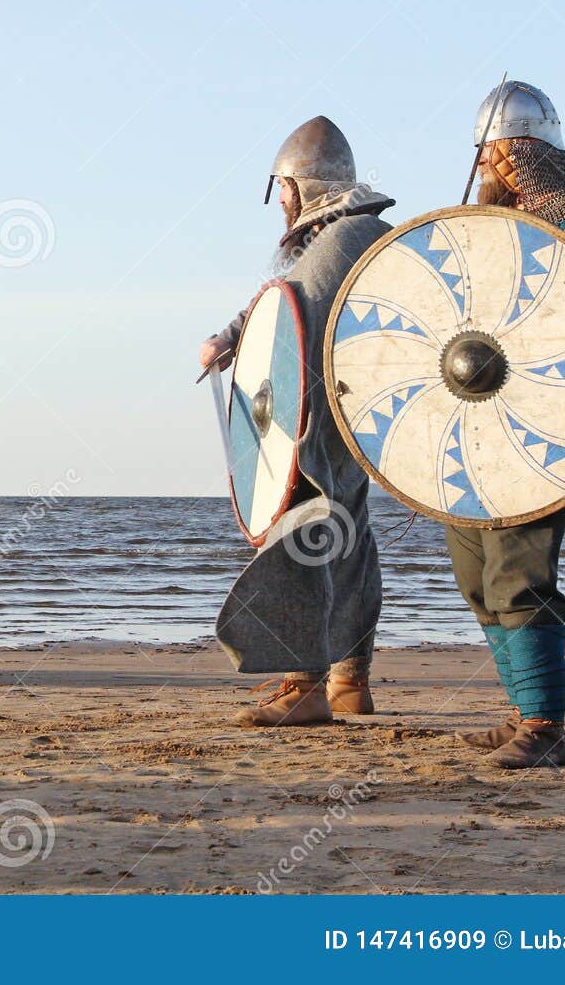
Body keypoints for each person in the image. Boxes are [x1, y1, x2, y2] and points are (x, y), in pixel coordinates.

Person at [448, 81, 565, 768]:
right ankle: (524, 708)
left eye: (491, 150)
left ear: (523, 149)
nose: (483, 162)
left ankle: (546, 726)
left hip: (546, 425)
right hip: (472, 424)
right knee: (474, 570)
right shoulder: (481, 228)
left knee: (518, 571)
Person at [204, 117, 395, 726]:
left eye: (283, 189)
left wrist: (233, 340)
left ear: (302, 186)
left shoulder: (340, 242)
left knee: (306, 529)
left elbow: (295, 308)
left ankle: (305, 682)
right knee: (351, 534)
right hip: (359, 411)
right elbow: (283, 299)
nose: (281, 203)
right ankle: (349, 681)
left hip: (322, 415)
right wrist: (239, 335)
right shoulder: (366, 235)